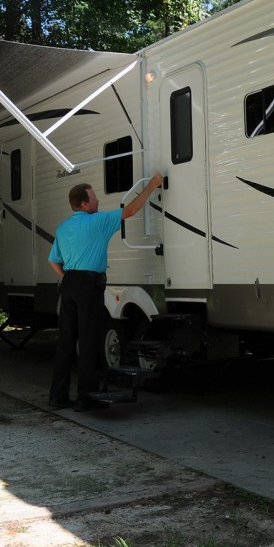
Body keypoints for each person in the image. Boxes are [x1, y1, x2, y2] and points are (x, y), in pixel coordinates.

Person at [48, 173, 164, 411]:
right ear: (84, 204)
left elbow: (53, 261)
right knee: (89, 340)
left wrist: (69, 279)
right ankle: (86, 398)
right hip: (88, 286)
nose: (98, 201)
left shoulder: (63, 228)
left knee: (66, 342)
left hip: (69, 284)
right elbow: (130, 211)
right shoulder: (97, 222)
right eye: (94, 198)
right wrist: (151, 186)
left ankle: (57, 397)